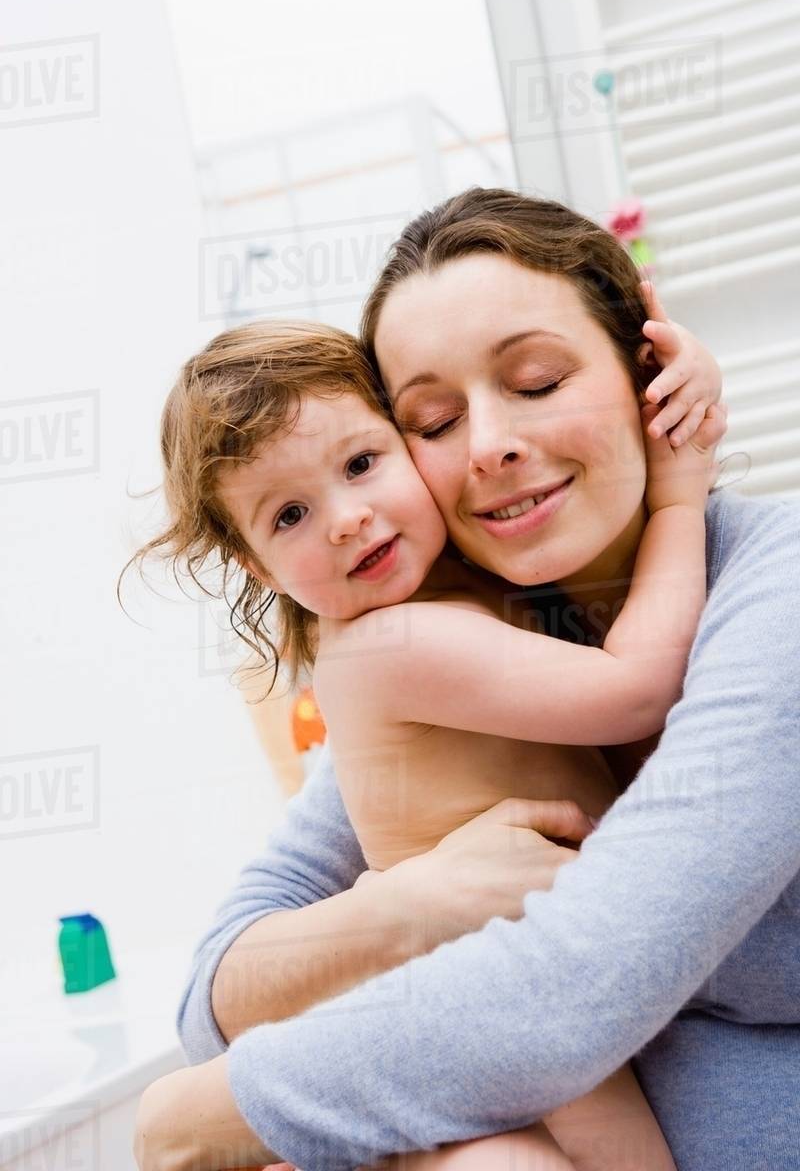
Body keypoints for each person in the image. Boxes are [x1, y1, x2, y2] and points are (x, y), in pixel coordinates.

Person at [134, 191, 800, 1171]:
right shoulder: (456, 644)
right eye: (432, 419)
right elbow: (215, 998)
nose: (486, 443)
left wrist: (199, 1120)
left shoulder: (774, 594)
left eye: (536, 380)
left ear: (644, 368)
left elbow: (573, 990)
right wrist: (408, 907)